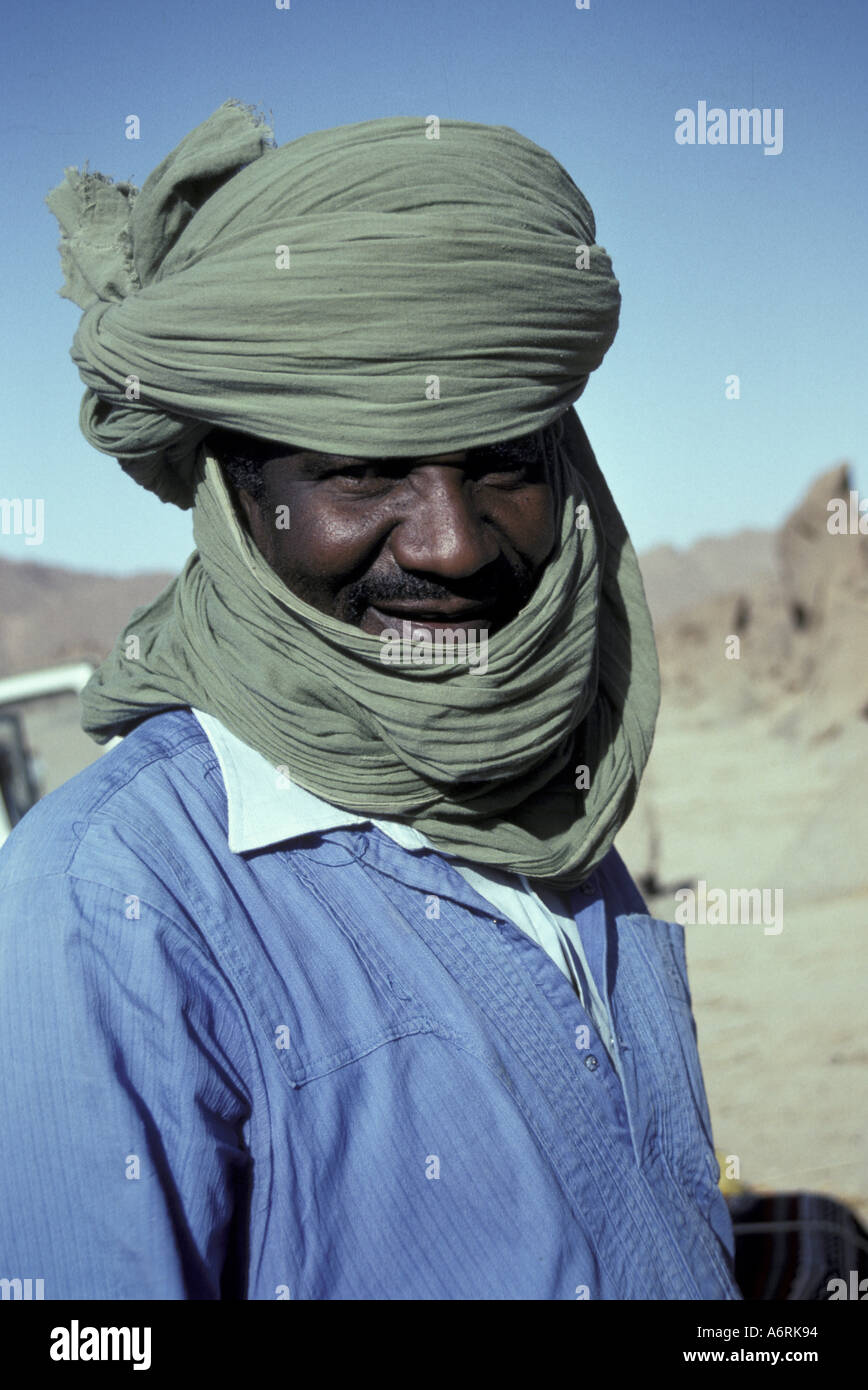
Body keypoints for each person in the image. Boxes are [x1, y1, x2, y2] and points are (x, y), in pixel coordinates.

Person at [0, 102, 740, 1300]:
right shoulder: (111, 905)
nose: (452, 546)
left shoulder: (551, 803)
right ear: (234, 499)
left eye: (503, 458)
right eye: (358, 468)